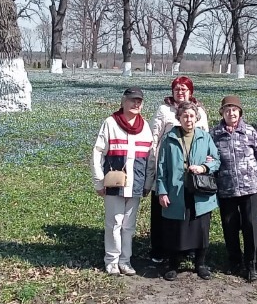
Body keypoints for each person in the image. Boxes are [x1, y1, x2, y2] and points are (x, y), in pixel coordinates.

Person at [91, 87, 155, 276]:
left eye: (139, 101)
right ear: (123, 101)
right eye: (132, 100)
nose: (136, 104)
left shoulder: (145, 127)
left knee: (128, 225)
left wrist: (148, 183)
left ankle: (125, 261)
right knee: (114, 222)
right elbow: (97, 153)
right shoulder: (110, 123)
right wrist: (99, 181)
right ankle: (111, 261)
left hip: (135, 184)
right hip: (114, 184)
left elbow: (150, 159)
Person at [155, 101, 221, 281]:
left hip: (199, 189)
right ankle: (173, 264)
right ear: (179, 118)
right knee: (175, 229)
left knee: (201, 228)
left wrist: (204, 167)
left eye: (192, 116)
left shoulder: (204, 136)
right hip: (176, 190)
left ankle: (200, 264)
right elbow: (161, 168)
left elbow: (216, 160)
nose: (188, 119)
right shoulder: (169, 139)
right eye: (185, 116)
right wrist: (162, 191)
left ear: (196, 118)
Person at [211, 95, 257, 282]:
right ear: (222, 112)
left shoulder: (249, 132)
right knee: (229, 226)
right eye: (227, 110)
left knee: (250, 225)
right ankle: (234, 261)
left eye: (235, 110)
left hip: (250, 188)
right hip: (226, 188)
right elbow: (211, 160)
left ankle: (252, 264)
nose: (231, 113)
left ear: (240, 112)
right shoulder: (214, 134)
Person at [148, 76, 209, 263]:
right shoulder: (164, 110)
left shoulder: (199, 111)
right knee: (162, 208)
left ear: (191, 92)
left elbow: (205, 136)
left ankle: (189, 247)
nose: (180, 92)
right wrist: (154, 165)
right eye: (177, 89)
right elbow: (154, 137)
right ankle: (160, 248)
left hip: (191, 170)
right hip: (167, 166)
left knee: (190, 208)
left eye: (184, 89)